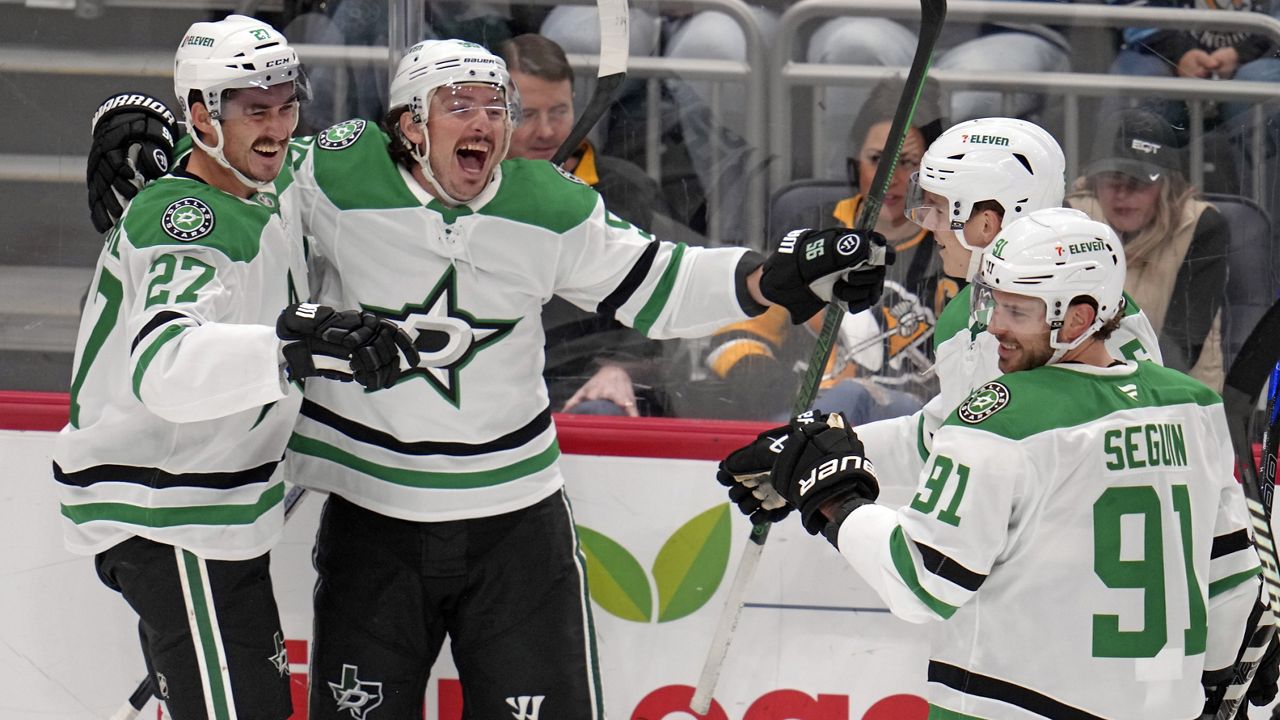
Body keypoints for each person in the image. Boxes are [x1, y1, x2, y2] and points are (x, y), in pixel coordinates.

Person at [725, 207, 1263, 718]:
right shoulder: (1193, 404)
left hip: (1010, 705)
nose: (993, 326)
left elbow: (923, 578)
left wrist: (834, 500)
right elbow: (1231, 576)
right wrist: (1215, 686)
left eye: (1017, 311)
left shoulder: (1000, 419)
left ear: (1079, 317)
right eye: (992, 302)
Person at [56, 16, 411, 719]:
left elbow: (336, 155)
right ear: (203, 116)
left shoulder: (258, 185)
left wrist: (132, 113)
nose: (277, 127)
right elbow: (166, 363)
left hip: (207, 512)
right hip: (168, 511)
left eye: (286, 106)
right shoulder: (191, 219)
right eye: (255, 110)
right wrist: (291, 345)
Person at [700, 77, 951, 422]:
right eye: (877, 159)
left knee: (854, 395)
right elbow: (735, 334)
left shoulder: (950, 245)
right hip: (807, 419)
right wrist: (784, 393)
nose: (889, 177)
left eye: (907, 162)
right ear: (854, 162)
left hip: (910, 430)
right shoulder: (812, 232)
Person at [498, 32, 678, 417]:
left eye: (559, 112)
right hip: (496, 381)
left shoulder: (623, 190)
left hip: (588, 384)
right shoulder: (467, 194)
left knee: (601, 410)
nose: (546, 131)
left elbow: (659, 295)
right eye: (527, 115)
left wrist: (620, 366)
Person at [807, 0, 1072, 179]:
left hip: (1011, 23)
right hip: (878, 13)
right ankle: (842, 212)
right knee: (855, 46)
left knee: (971, 86)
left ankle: (948, 221)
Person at [1068, 107, 1229, 391]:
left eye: (1139, 181)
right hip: (1084, 389)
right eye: (1112, 177)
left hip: (1175, 395)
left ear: (1168, 184)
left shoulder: (1202, 226)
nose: (1122, 193)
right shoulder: (1071, 218)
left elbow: (1182, 347)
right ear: (1094, 181)